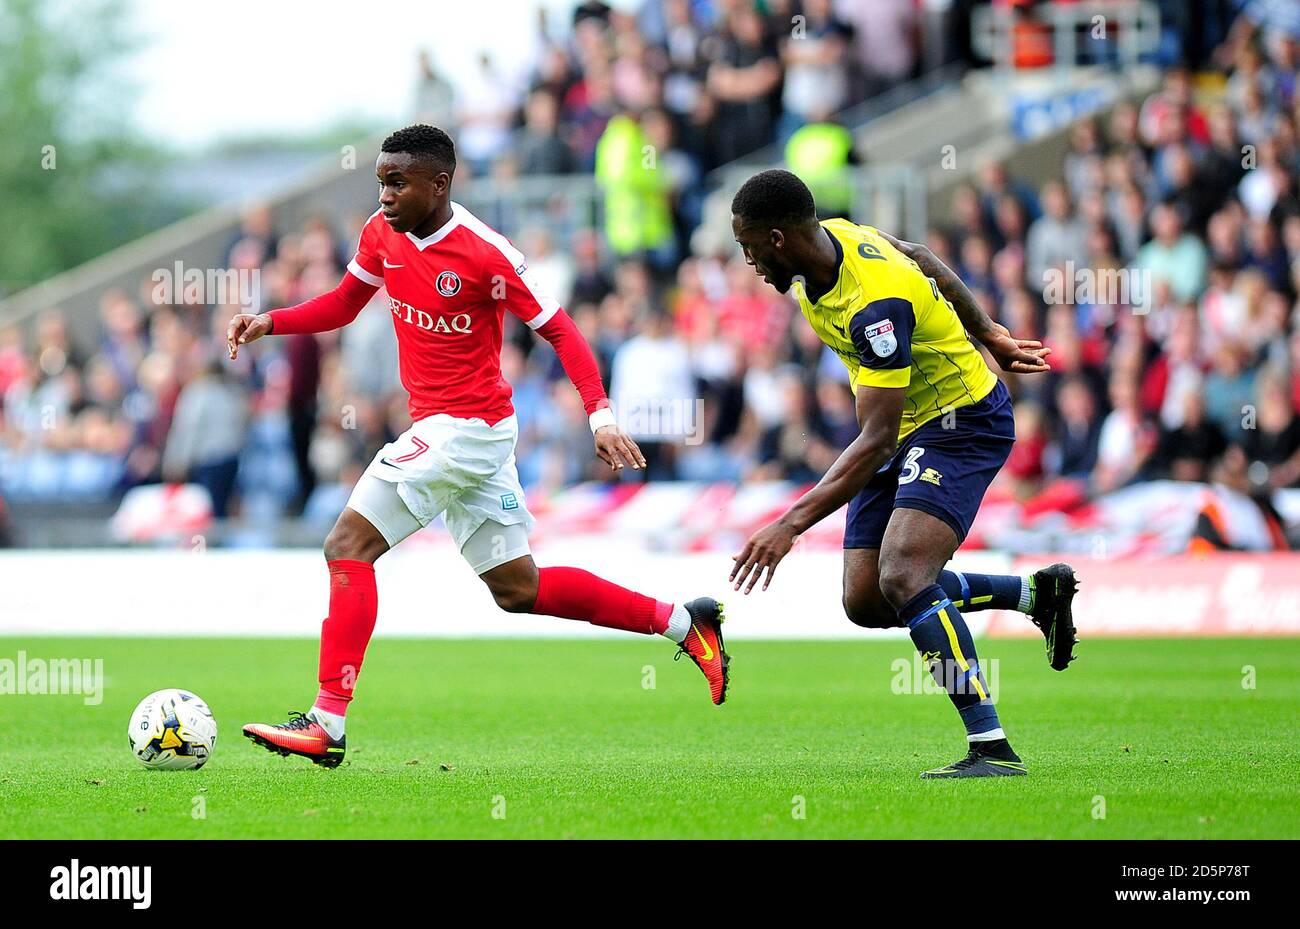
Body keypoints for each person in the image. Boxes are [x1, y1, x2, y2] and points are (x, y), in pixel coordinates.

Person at [226, 126, 728, 768]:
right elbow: (347, 304)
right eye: (381, 180)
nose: (385, 194)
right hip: (467, 436)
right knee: (519, 588)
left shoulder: (486, 254)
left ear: (440, 184)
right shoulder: (381, 234)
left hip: (463, 430)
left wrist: (600, 414)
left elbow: (563, 331)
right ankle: (685, 624)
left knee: (347, 545)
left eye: (398, 182)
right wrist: (274, 320)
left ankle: (327, 719)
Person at [727, 169, 1079, 779]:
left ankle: (990, 745)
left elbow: (876, 439)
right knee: (866, 600)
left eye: (749, 247)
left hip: (957, 420)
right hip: (904, 424)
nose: (750, 263)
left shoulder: (874, 309)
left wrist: (790, 524)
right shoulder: (831, 243)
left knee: (905, 574)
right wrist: (989, 331)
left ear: (779, 238)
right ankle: (1034, 594)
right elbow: (920, 255)